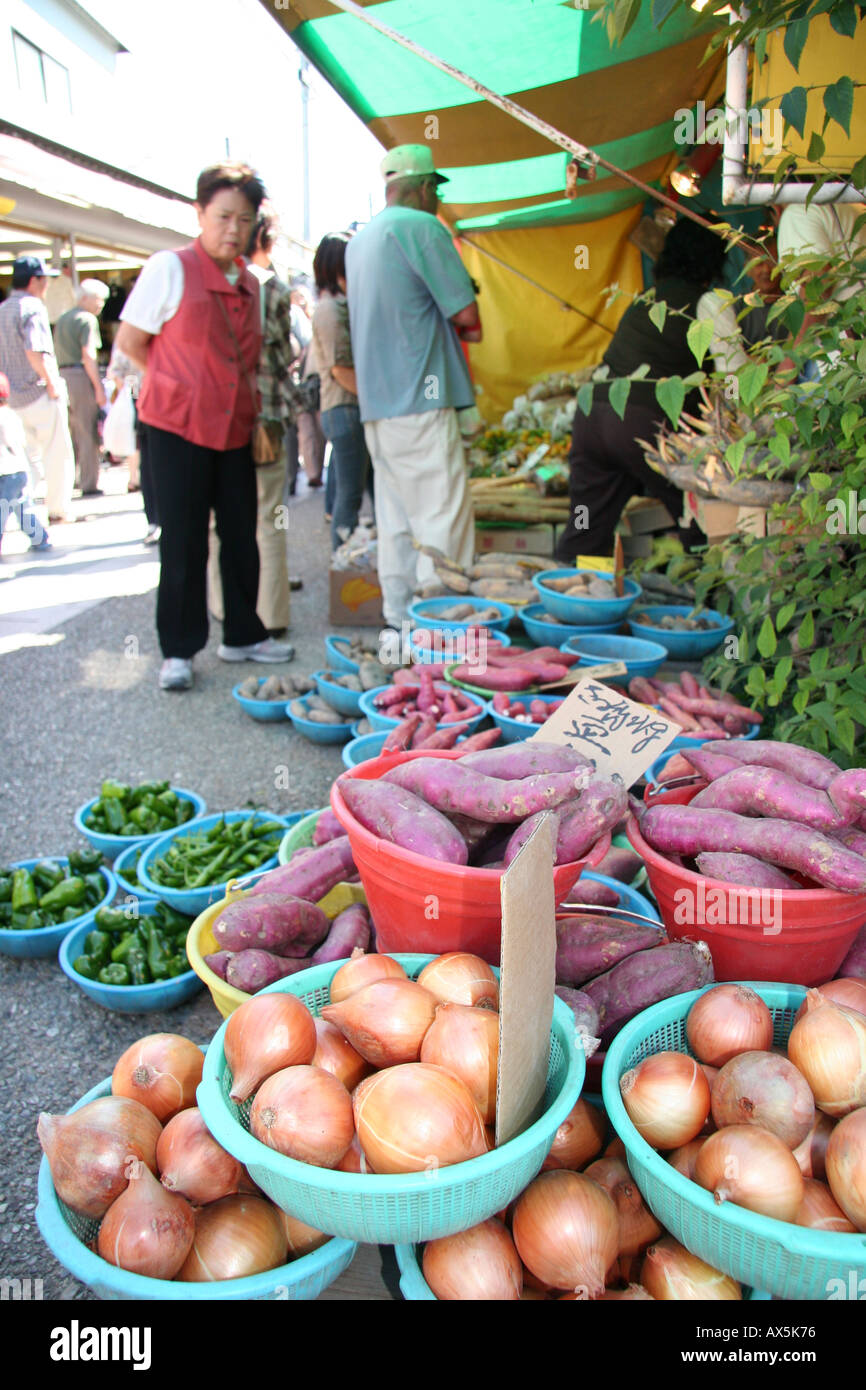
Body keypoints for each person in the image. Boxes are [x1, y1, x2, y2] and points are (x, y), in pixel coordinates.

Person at [114, 161, 293, 692]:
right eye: (222, 217)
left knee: (242, 534)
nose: (233, 229)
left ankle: (243, 634)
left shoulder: (251, 284)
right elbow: (130, 343)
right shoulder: (169, 268)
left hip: (234, 429)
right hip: (177, 428)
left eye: (243, 219)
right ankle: (178, 650)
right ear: (199, 213)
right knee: (185, 540)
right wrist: (174, 383)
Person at [345, 144, 481, 628]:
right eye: (436, 190)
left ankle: (400, 623)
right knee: (440, 517)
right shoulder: (422, 227)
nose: (437, 200)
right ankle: (442, 628)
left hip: (378, 407)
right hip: (422, 398)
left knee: (397, 520)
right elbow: (468, 316)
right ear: (424, 188)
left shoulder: (359, 240)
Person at [555, 218, 729, 562]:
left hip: (593, 416)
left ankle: (565, 597)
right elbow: (732, 377)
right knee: (700, 514)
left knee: (586, 526)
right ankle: (707, 596)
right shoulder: (710, 303)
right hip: (641, 423)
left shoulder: (646, 299)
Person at [209, 207, 306, 636]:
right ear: (264, 240)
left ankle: (223, 608)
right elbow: (283, 358)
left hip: (217, 420)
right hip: (265, 418)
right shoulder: (275, 289)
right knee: (271, 517)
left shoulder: (211, 284)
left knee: (220, 521)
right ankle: (271, 615)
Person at [0, 255, 75, 523]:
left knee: (24, 459)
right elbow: (35, 350)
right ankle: (58, 510)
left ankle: (22, 514)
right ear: (35, 281)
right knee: (56, 454)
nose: (47, 285)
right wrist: (52, 384)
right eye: (45, 279)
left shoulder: (3, 308)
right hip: (39, 392)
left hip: (11, 399)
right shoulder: (32, 307)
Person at [311, 231, 372, 549]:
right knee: (349, 496)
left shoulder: (342, 306)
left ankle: (355, 567)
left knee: (363, 490)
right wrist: (376, 398)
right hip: (345, 410)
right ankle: (341, 566)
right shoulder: (330, 310)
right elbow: (340, 370)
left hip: (350, 410)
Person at [54, 279, 110, 496]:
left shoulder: (63, 318)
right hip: (80, 376)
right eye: (99, 299)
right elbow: (89, 355)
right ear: (84, 298)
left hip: (62, 375)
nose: (101, 304)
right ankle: (89, 483)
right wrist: (98, 387)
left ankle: (72, 479)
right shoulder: (87, 320)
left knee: (71, 431)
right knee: (87, 431)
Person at [0, 370, 52, 555]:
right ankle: (40, 538)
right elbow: (20, 442)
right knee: (22, 507)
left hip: (5, 471)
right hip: (19, 469)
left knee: (3, 509)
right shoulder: (12, 414)